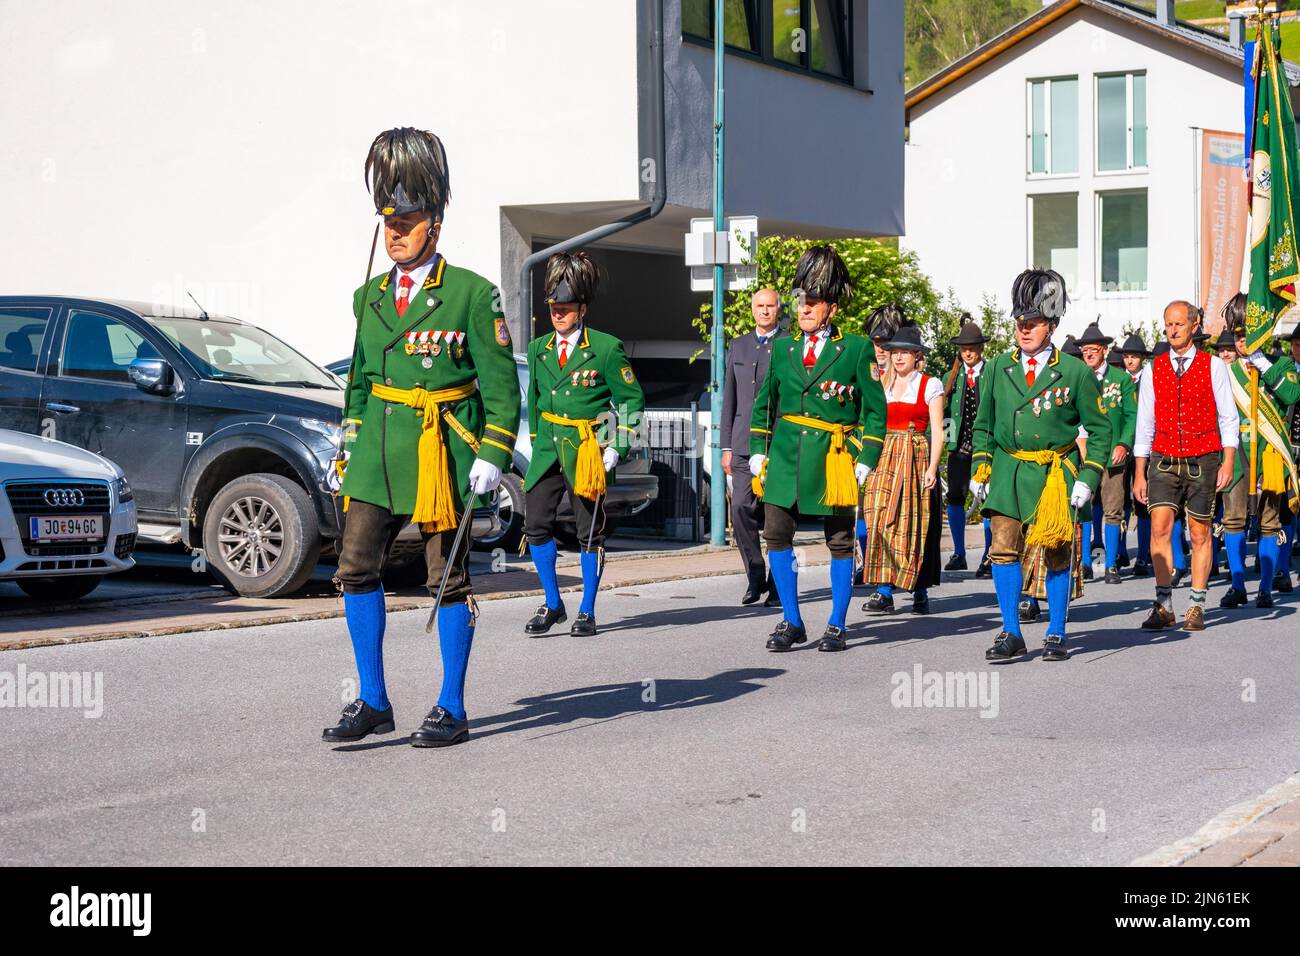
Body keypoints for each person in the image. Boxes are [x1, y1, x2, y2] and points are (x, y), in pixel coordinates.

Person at [326, 127, 521, 747]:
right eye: (388, 220)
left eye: (406, 220)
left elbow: (501, 389)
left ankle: (451, 706)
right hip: (379, 455)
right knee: (355, 570)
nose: (395, 231)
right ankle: (373, 699)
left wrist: (492, 454)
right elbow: (359, 383)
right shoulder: (368, 296)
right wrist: (347, 445)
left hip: (443, 455)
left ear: (433, 223)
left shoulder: (469, 293)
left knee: (448, 580)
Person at [971, 269, 1113, 662]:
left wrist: (1089, 475)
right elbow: (983, 424)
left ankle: (1056, 630)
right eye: (1020, 322)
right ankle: (1011, 631)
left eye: (1032, 322)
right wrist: (980, 469)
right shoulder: (998, 367)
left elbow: (1101, 430)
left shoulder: (1076, 372)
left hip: (1055, 472)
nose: (1024, 329)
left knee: (1056, 551)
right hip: (1008, 470)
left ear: (1051, 325)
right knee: (1002, 550)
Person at [750, 246, 887, 653]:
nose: (804, 308)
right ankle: (792, 619)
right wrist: (758, 448)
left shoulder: (857, 348)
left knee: (841, 541)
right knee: (775, 536)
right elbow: (764, 405)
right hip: (786, 457)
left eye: (812, 301)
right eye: (800, 300)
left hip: (834, 458)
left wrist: (864, 457)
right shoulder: (784, 348)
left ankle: (837, 623)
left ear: (830, 307)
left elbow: (875, 413)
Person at [522, 252, 646, 638]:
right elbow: (538, 400)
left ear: (582, 308)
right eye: (553, 308)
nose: (557, 314)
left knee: (588, 531)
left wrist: (615, 445)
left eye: (565, 308)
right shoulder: (539, 348)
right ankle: (553, 602)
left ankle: (588, 609)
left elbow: (631, 401)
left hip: (587, 449)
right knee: (535, 525)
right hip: (548, 449)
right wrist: (534, 441)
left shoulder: (606, 348)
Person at [1132, 301, 1238, 631]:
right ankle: (1164, 604)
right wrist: (1139, 470)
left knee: (1199, 531)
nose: (1172, 330)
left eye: (1178, 324)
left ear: (1193, 326)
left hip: (1203, 457)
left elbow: (1228, 416)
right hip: (1163, 457)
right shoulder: (1154, 368)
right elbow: (1145, 422)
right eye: (1168, 325)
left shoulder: (1213, 366)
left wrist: (1228, 460)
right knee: (1160, 528)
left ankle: (1196, 604)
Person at [1215, 295, 1300, 609]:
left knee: (1269, 522)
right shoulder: (1227, 371)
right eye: (1238, 336)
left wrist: (1263, 363)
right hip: (1236, 458)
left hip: (1269, 456)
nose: (1241, 342)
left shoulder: (1280, 364)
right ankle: (1238, 584)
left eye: (1247, 335)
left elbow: (1292, 393)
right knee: (1234, 520)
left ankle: (1265, 587)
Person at [860, 325, 944, 614]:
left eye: (904, 352)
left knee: (911, 524)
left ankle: (918, 588)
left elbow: (938, 431)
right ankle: (884, 590)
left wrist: (933, 467)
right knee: (877, 519)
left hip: (913, 454)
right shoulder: (880, 382)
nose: (898, 358)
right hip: (883, 454)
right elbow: (867, 419)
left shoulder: (929, 384)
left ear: (917, 355)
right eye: (895, 352)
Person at [721, 288, 785, 606]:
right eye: (759, 306)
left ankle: (777, 584)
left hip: (777, 445)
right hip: (743, 444)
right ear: (752, 309)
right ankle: (755, 573)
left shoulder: (788, 345)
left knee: (776, 516)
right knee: (740, 508)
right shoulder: (739, 345)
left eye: (769, 306)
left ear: (778, 308)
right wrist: (725, 447)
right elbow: (729, 399)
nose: (764, 311)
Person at [1076, 322, 1137, 583]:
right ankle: (1086, 563)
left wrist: (1124, 444)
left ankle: (1110, 564)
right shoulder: (1077, 377)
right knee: (1084, 508)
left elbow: (1132, 416)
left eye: (1092, 349)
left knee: (1113, 509)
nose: (1088, 354)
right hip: (1083, 453)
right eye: (1084, 350)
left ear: (1104, 350)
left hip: (1112, 454)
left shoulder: (1121, 379)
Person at [942, 320, 993, 575]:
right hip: (959, 447)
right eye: (964, 348)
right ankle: (959, 552)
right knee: (955, 498)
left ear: (981, 348)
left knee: (987, 498)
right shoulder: (951, 376)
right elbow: (947, 414)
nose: (968, 352)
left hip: (985, 446)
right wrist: (948, 442)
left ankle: (989, 554)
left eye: (972, 347)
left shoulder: (992, 373)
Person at [1120, 334, 1153, 576]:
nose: (1130, 360)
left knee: (1143, 501)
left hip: (1144, 447)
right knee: (1119, 503)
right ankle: (1121, 551)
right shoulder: (1119, 380)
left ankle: (1143, 555)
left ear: (1142, 358)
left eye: (1134, 356)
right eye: (1127, 356)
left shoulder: (1149, 378)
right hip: (1122, 447)